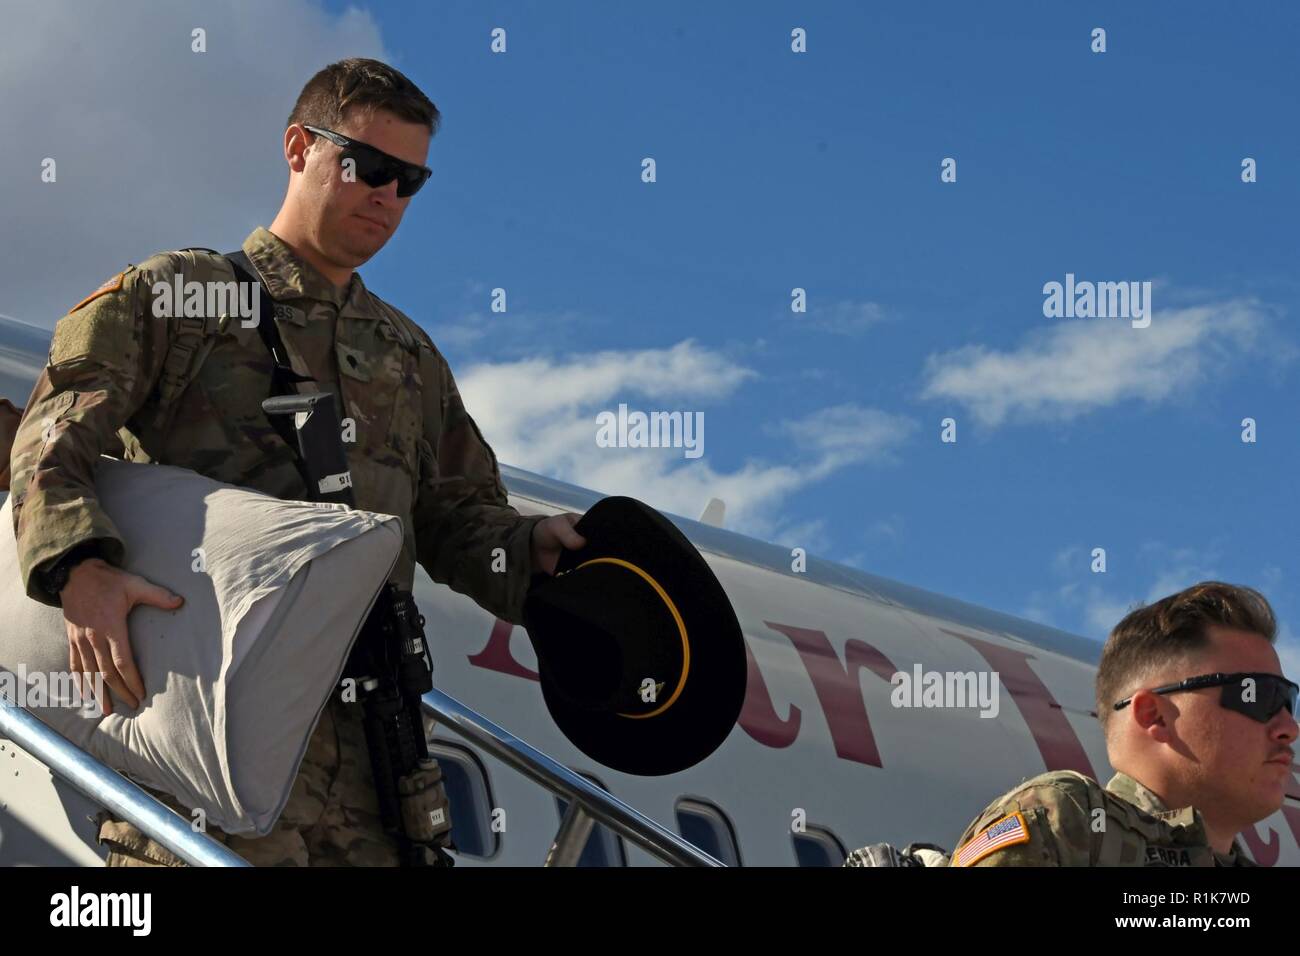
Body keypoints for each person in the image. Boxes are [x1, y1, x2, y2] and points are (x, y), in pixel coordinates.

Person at [6, 57, 586, 866]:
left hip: (374, 766)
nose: (386, 195)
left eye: (408, 181)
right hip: (210, 731)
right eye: (366, 166)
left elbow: (459, 519)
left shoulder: (409, 357)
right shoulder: (181, 297)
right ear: (297, 148)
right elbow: (52, 431)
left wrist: (534, 553)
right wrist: (79, 571)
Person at [948, 581, 1295, 866]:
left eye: (1287, 701)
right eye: (1258, 695)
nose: (1289, 728)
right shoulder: (1066, 822)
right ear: (1154, 716)